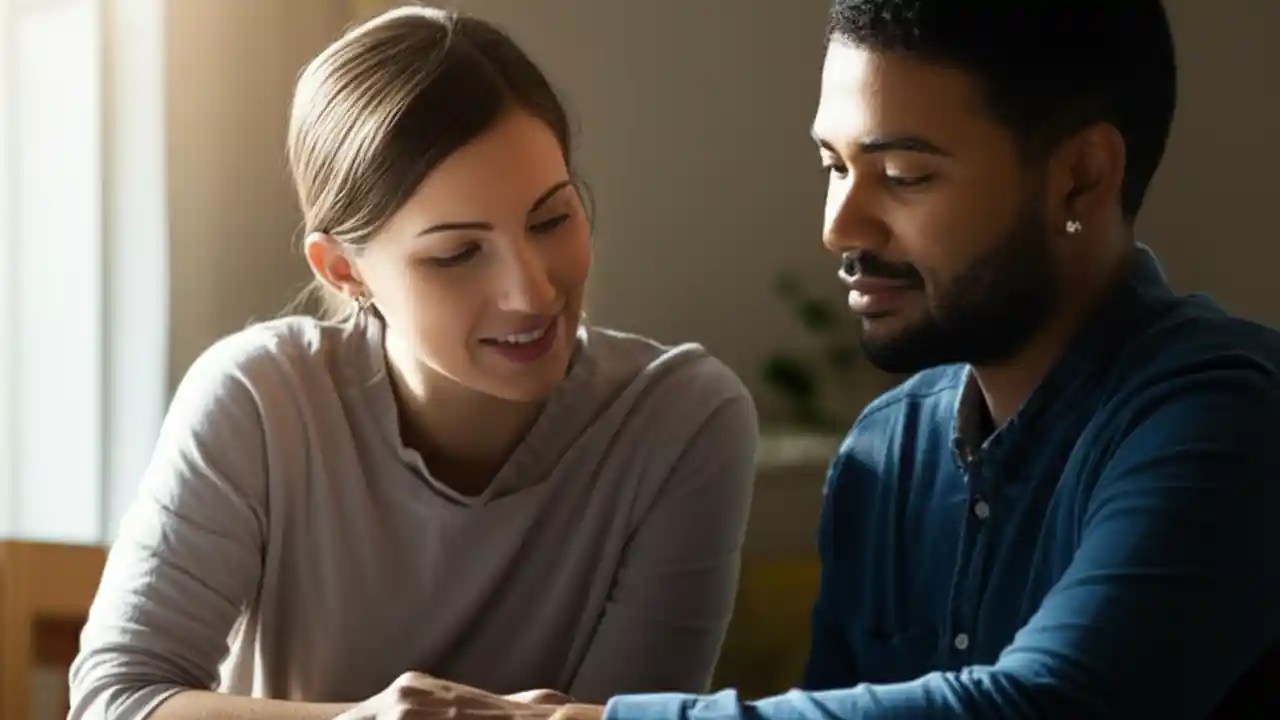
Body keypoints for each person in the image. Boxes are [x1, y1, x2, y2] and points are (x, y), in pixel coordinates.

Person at [456, 0, 1280, 718]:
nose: (839, 228)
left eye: (904, 175)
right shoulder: (886, 453)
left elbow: (1054, 704)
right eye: (834, 166)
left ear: (1079, 180)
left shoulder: (1227, 417)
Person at [68, 6, 758, 719]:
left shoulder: (680, 422)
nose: (531, 293)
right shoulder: (261, 401)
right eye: (457, 254)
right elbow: (116, 701)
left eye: (551, 219)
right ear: (343, 271)